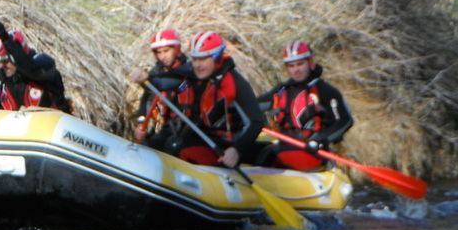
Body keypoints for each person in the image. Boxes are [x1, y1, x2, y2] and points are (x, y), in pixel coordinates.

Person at [150, 30, 263, 169]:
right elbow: (163, 82)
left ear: (217, 58)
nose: (197, 65)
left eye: (203, 59)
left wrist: (236, 150)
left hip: (225, 148)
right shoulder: (193, 74)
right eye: (195, 59)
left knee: (176, 145)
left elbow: (256, 122)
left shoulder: (236, 82)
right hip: (202, 140)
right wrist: (145, 78)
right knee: (155, 144)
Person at [255, 41, 353, 169]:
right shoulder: (283, 90)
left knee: (269, 155)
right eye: (291, 66)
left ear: (310, 62)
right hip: (286, 147)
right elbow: (255, 104)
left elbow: (346, 120)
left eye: (300, 64)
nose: (296, 70)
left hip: (312, 152)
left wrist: (319, 139)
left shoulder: (325, 90)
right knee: (253, 151)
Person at [0, 20, 72, 116]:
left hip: (51, 124)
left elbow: (29, 67)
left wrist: (5, 39)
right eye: (1, 62)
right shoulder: (0, 77)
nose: (3, 65)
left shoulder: (44, 64)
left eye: (6, 61)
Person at [133, 29, 187, 150]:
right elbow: (146, 98)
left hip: (187, 128)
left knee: (172, 146)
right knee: (146, 146)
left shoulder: (187, 71)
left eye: (167, 51)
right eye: (159, 52)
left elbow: (168, 82)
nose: (163, 56)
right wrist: (141, 123)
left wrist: (148, 80)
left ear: (176, 50)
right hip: (168, 127)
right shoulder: (157, 71)